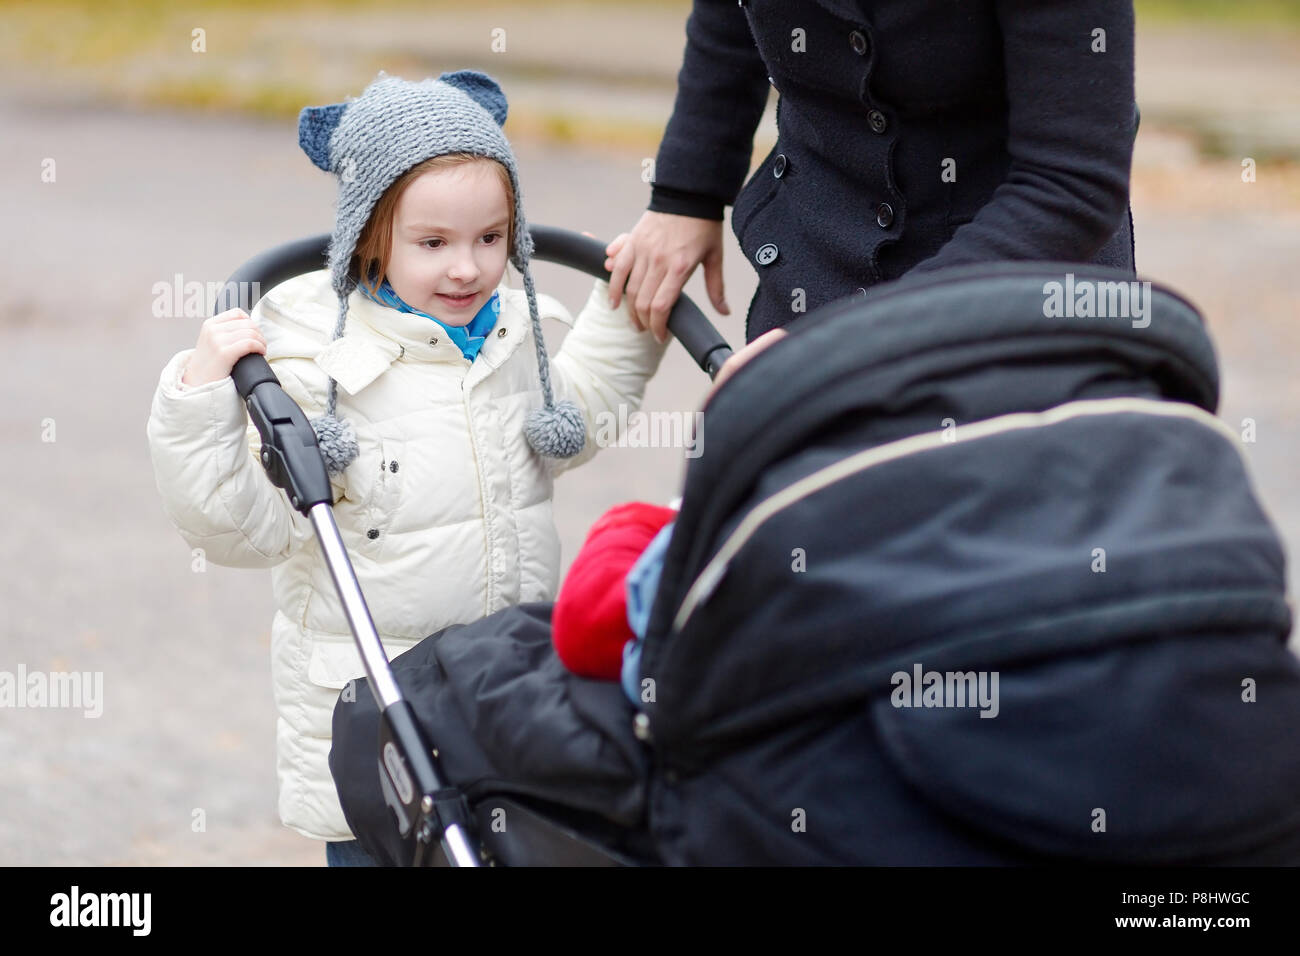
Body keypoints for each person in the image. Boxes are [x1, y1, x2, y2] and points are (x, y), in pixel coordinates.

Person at [145, 71, 668, 865]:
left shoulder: (508, 338)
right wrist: (200, 397)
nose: (466, 268)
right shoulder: (314, 365)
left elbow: (577, 414)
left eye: (490, 239)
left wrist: (626, 311)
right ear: (369, 239)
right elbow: (239, 527)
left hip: (501, 710)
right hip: (377, 739)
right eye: (433, 244)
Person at [605, 0, 1139, 344]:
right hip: (814, 274)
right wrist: (686, 194)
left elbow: (1071, 184)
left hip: (1017, 304)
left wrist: (849, 347)